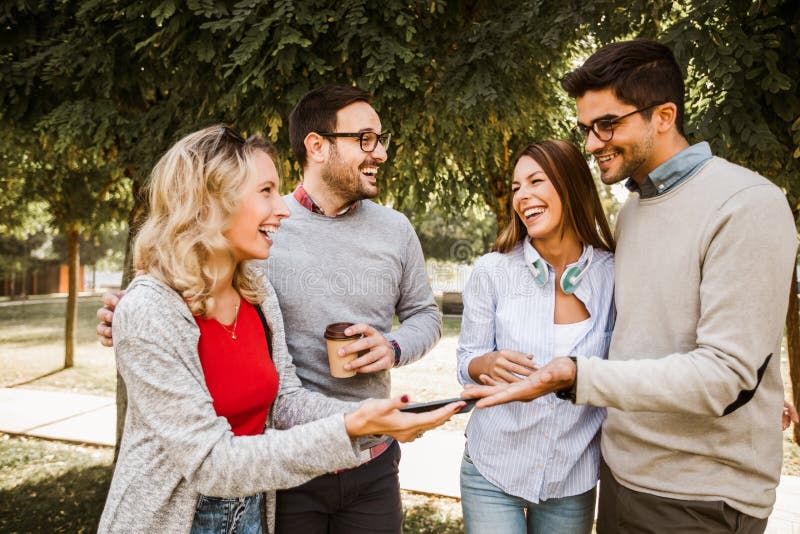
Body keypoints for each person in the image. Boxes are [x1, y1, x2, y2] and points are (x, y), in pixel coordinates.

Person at [463, 39, 798, 533]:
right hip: (618, 477)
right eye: (586, 129)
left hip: (699, 496)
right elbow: (644, 339)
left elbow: (725, 373)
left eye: (608, 124)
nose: (593, 142)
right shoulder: (635, 213)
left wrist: (575, 377)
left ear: (664, 115)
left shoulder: (746, 203)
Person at [97, 86, 442, 533]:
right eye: (265, 191)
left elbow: (286, 402)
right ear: (211, 203)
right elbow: (213, 462)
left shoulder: (256, 289)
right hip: (209, 505)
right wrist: (353, 427)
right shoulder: (163, 302)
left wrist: (375, 415)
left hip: (262, 508)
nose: (280, 210)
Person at [456, 140, 615, 534]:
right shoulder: (493, 271)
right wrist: (483, 364)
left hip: (572, 477)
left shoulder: (613, 273)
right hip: (493, 470)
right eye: (516, 187)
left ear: (571, 185)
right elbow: (465, 362)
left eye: (535, 181)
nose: (523, 195)